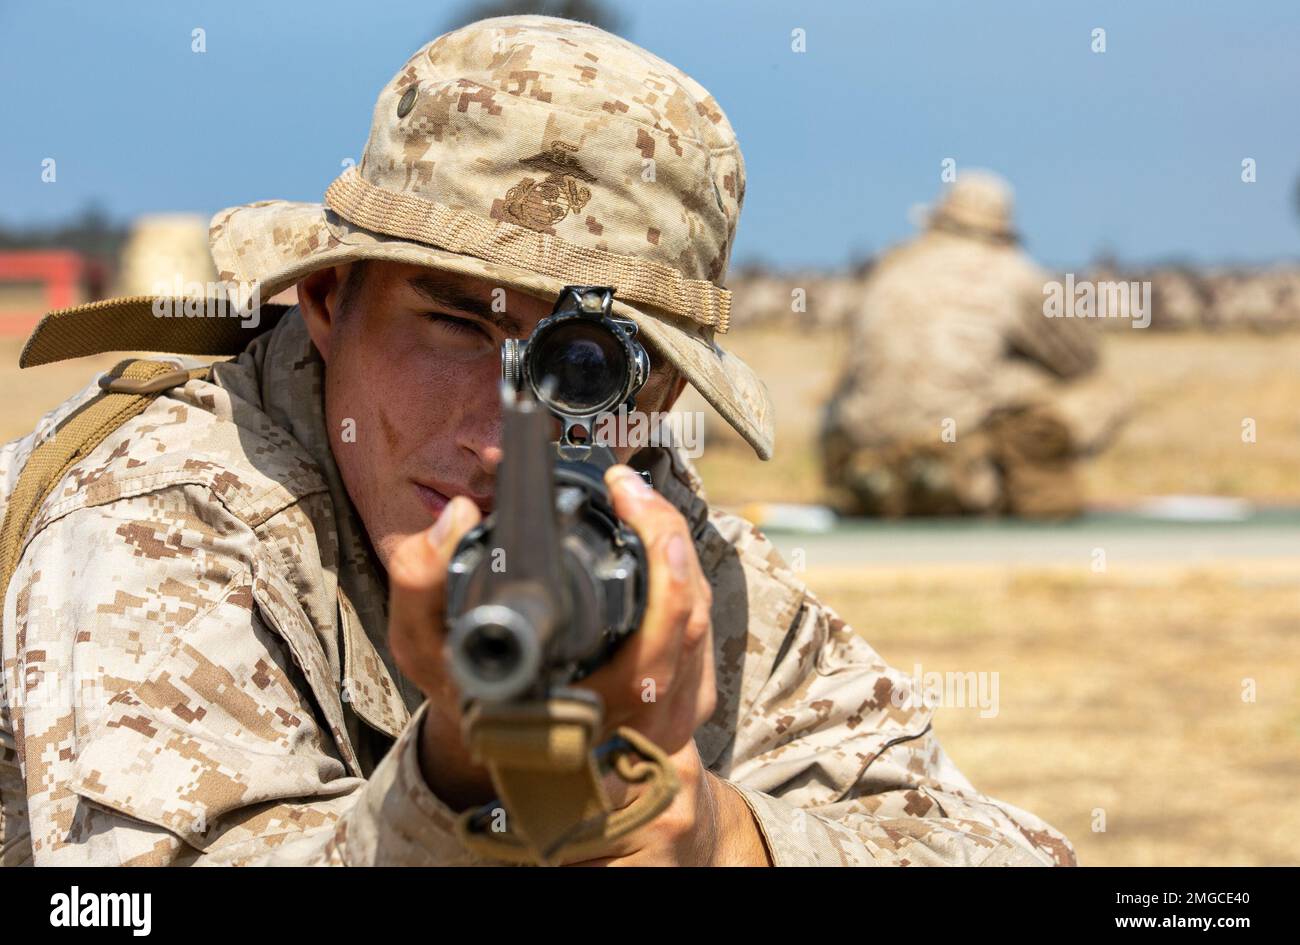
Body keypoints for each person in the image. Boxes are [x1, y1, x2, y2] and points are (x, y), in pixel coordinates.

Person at [0, 17, 1075, 866]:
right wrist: (459, 792)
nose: (495, 431)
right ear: (327, 299)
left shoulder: (633, 529)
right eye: (455, 323)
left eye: (582, 367)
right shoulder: (168, 509)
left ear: (650, 392)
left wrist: (720, 837)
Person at [821, 171, 1127, 519]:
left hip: (863, 447)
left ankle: (875, 477)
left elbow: (846, 371)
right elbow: (1082, 360)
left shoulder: (889, 269)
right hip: (956, 444)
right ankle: (989, 480)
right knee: (1102, 393)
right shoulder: (1016, 275)